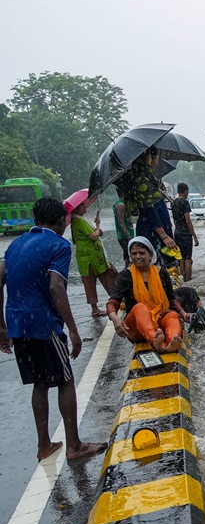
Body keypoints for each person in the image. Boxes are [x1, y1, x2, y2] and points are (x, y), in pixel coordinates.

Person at [0, 197, 106, 461]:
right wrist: (73, 330)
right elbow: (56, 286)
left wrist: (1, 326)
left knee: (40, 382)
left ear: (35, 220)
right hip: (44, 323)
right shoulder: (58, 245)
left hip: (17, 324)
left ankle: (44, 445)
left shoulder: (15, 244)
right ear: (62, 221)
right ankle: (74, 446)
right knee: (65, 380)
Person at [105, 236, 185, 354]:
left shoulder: (161, 272)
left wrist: (182, 313)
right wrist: (115, 319)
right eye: (134, 254)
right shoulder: (126, 275)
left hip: (160, 321)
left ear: (150, 255)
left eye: (142, 253)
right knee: (140, 307)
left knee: (172, 315)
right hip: (136, 328)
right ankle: (155, 341)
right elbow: (113, 302)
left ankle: (172, 341)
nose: (137, 257)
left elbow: (171, 299)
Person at [114, 147, 176, 255]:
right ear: (147, 159)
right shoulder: (142, 182)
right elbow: (150, 210)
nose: (157, 162)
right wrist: (164, 236)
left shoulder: (149, 179)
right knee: (156, 262)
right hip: (153, 234)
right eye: (155, 158)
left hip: (158, 232)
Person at [68, 195, 117, 318]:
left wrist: (97, 227)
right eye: (82, 206)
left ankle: (114, 300)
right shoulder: (78, 220)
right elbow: (94, 236)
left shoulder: (81, 219)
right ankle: (99, 307)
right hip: (88, 257)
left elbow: (97, 233)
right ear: (77, 208)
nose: (85, 207)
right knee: (96, 278)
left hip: (93, 255)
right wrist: (98, 226)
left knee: (104, 275)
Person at [171, 182, 199, 281]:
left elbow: (174, 219)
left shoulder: (173, 202)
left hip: (177, 233)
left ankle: (182, 280)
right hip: (186, 234)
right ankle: (188, 280)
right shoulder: (184, 202)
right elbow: (187, 220)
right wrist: (194, 236)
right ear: (186, 191)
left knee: (181, 258)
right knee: (188, 259)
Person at [113, 194, 135, 266]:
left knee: (129, 256)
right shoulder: (120, 205)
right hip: (124, 236)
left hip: (128, 235)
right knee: (129, 257)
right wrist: (128, 236)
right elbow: (120, 222)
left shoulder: (124, 203)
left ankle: (128, 270)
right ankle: (127, 271)